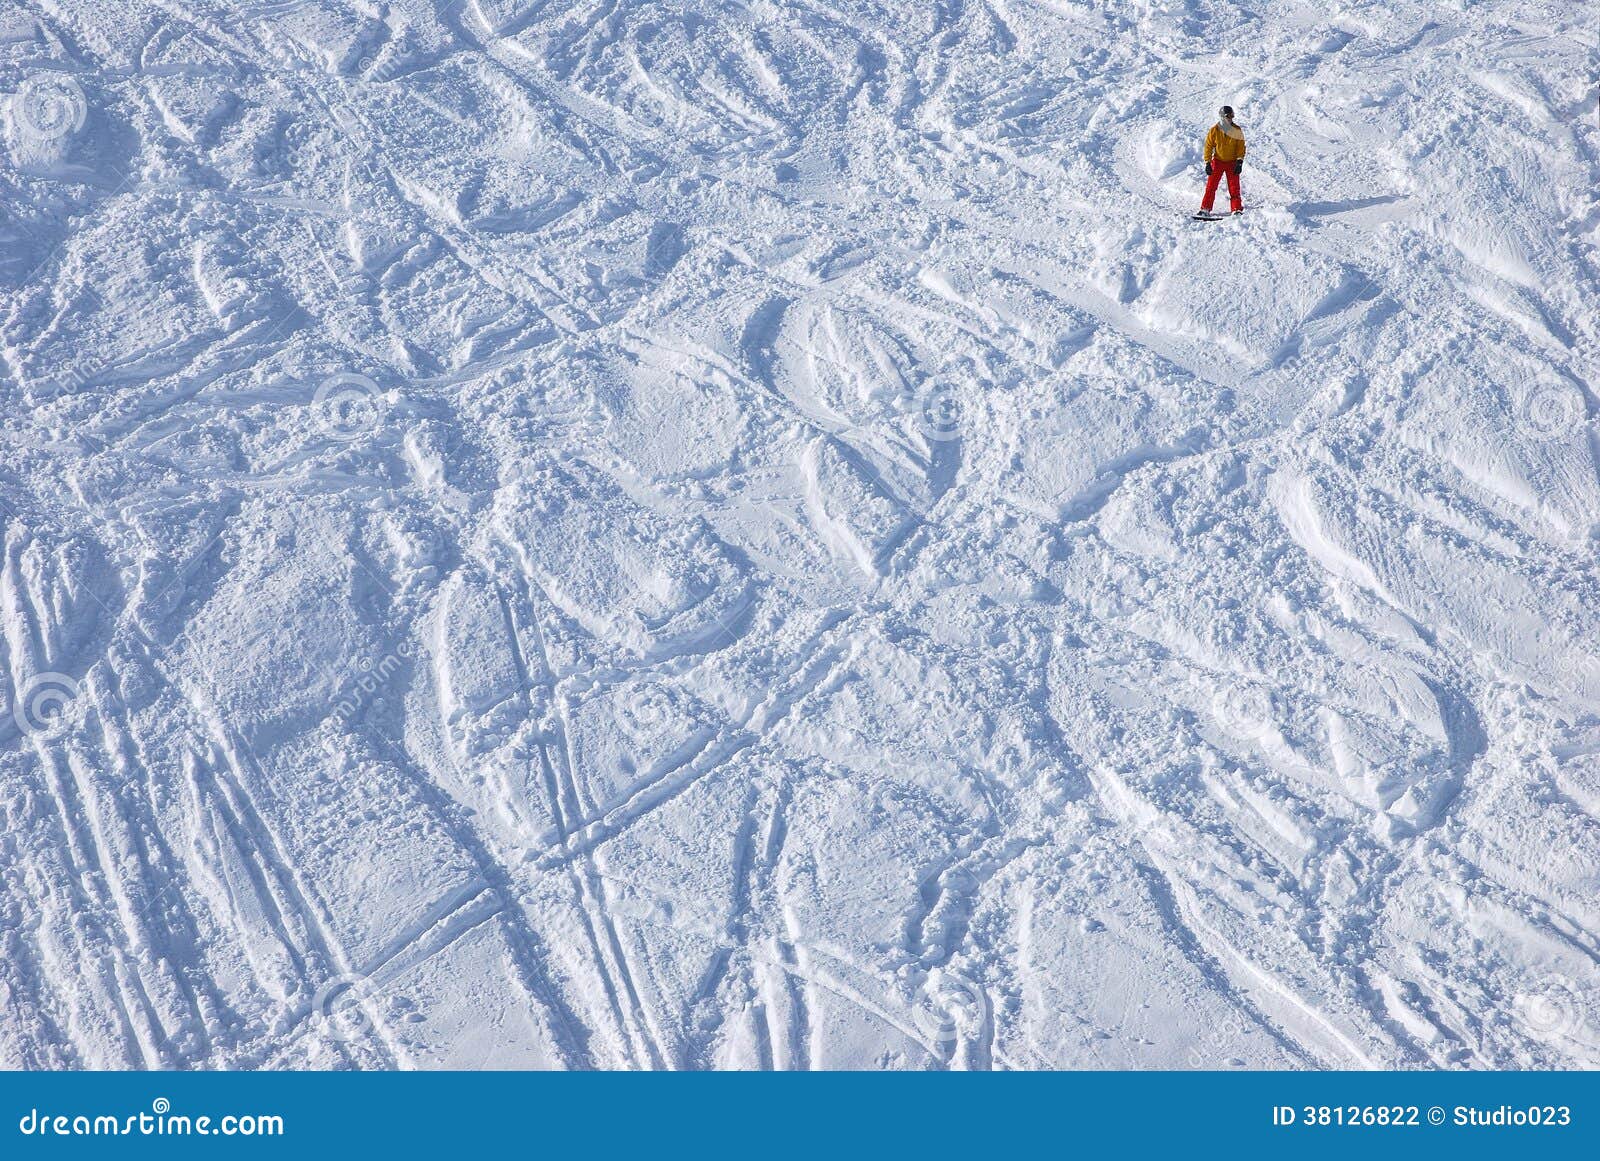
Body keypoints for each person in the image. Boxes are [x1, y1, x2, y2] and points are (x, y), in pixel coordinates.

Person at [1199, 106, 1246, 215]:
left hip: (1232, 162)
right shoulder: (1214, 130)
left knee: (1234, 187)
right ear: (1222, 117)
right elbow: (1208, 147)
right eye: (1228, 117)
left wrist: (1239, 162)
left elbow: (1241, 147)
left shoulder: (1236, 130)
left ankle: (1236, 209)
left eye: (1231, 116)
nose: (1230, 119)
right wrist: (1208, 162)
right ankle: (1205, 208)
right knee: (1211, 186)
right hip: (1218, 161)